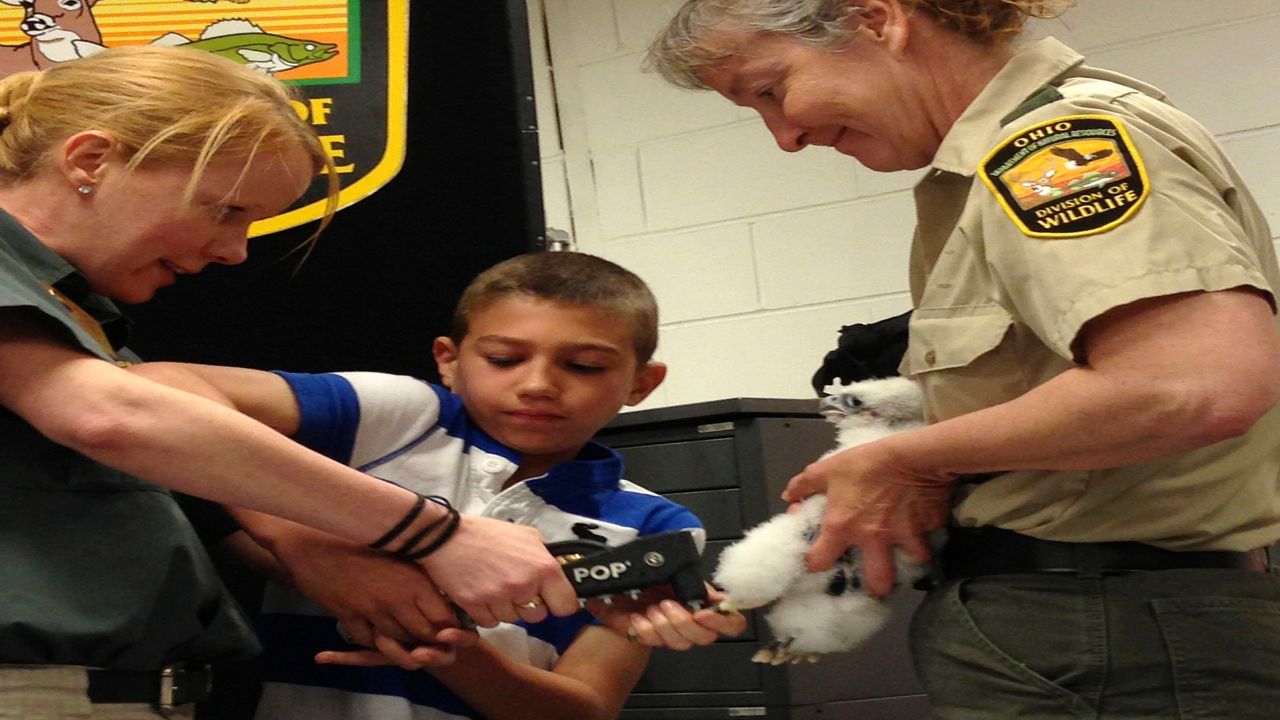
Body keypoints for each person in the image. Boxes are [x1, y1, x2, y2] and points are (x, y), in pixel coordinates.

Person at [647, 1, 1280, 718]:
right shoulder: (985, 172)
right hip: (1088, 623)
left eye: (769, 90)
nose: (785, 136)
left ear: (875, 19)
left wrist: (906, 460)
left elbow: (1193, 383)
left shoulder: (1060, 146)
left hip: (1108, 632)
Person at [0, 45, 579, 719]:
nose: (234, 251)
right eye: (225, 210)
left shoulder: (71, 313)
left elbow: (147, 464)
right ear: (91, 159)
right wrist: (434, 534)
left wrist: (307, 548)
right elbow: (107, 417)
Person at [131, 251, 748, 720]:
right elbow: (155, 386)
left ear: (642, 382)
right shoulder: (398, 415)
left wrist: (458, 655)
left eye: (583, 366)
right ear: (449, 360)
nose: (537, 384)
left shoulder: (655, 529)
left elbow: (585, 707)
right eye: (504, 359)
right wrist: (305, 543)